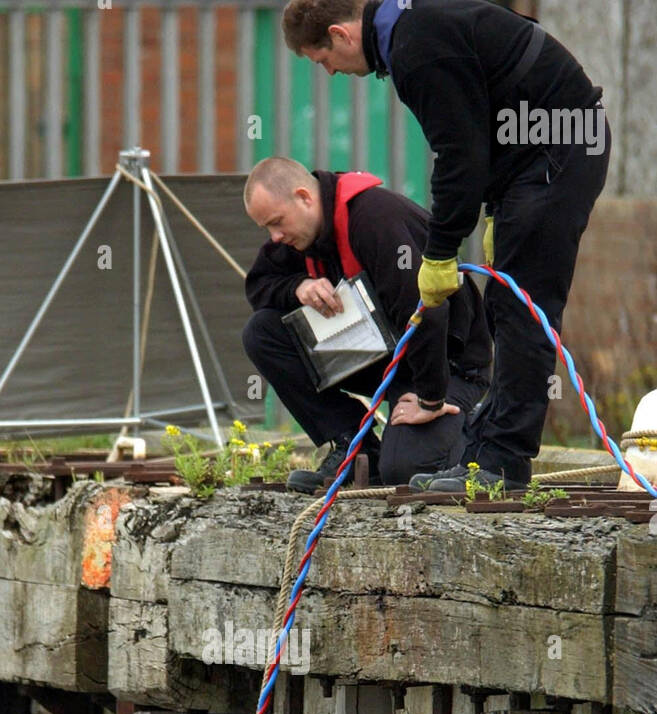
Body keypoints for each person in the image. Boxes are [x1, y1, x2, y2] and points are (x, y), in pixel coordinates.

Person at [281, 0, 611, 492]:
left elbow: (460, 157)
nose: (329, 73)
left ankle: (501, 464)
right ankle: (489, 452)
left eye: (321, 60)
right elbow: (485, 118)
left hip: (559, 149)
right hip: (534, 155)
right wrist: (501, 204)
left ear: (341, 34)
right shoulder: (414, 29)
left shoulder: (418, 47)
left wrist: (439, 253)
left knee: (525, 306)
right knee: (507, 302)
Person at [243, 155, 491, 493]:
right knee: (262, 333)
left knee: (405, 471)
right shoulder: (300, 234)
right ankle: (354, 445)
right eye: (266, 228)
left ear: (304, 197)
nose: (274, 237)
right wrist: (298, 287)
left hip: (446, 360)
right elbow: (258, 285)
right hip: (383, 356)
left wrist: (430, 399)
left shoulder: (374, 219)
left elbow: (429, 313)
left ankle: (475, 425)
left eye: (277, 222)